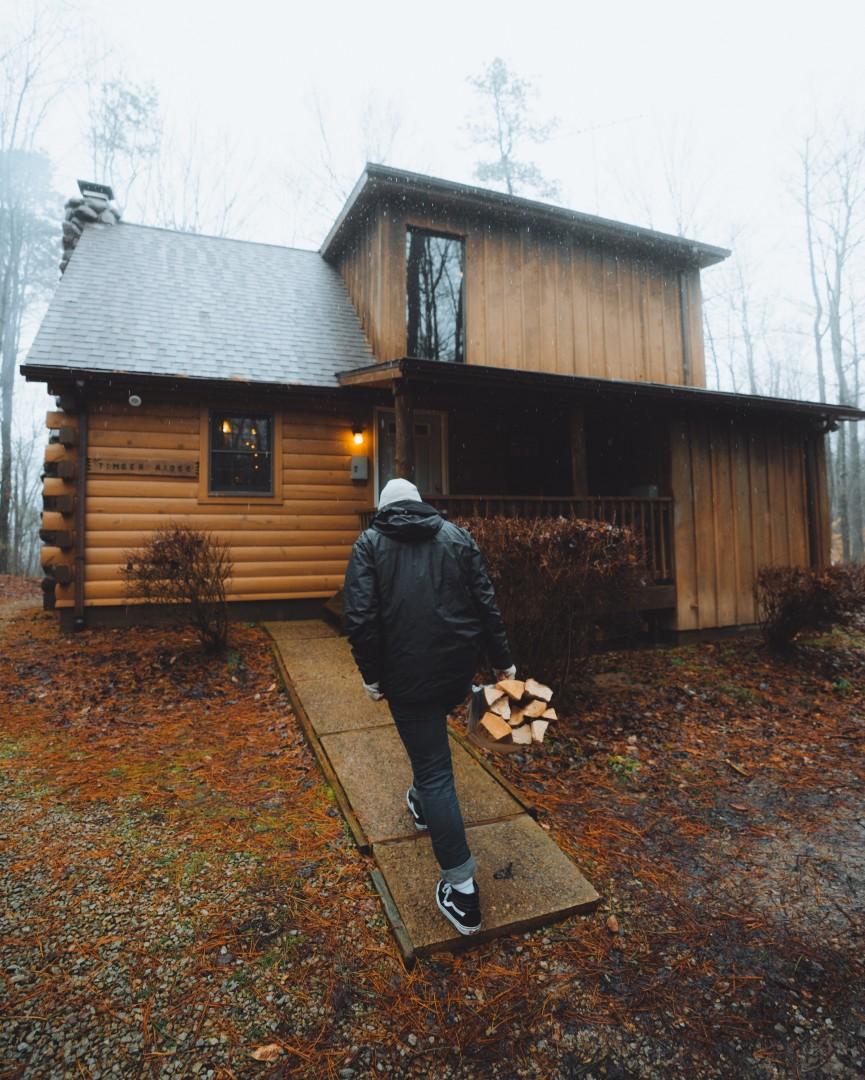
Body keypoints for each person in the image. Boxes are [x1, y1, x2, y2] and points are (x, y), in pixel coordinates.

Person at [343, 478, 515, 935]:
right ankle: (420, 800)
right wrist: (503, 663)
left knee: (436, 770)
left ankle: (462, 893)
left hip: (406, 678)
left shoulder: (370, 544)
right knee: (430, 751)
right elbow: (486, 604)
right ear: (419, 504)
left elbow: (360, 618)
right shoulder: (456, 537)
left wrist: (371, 675)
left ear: (384, 507)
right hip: (452, 674)